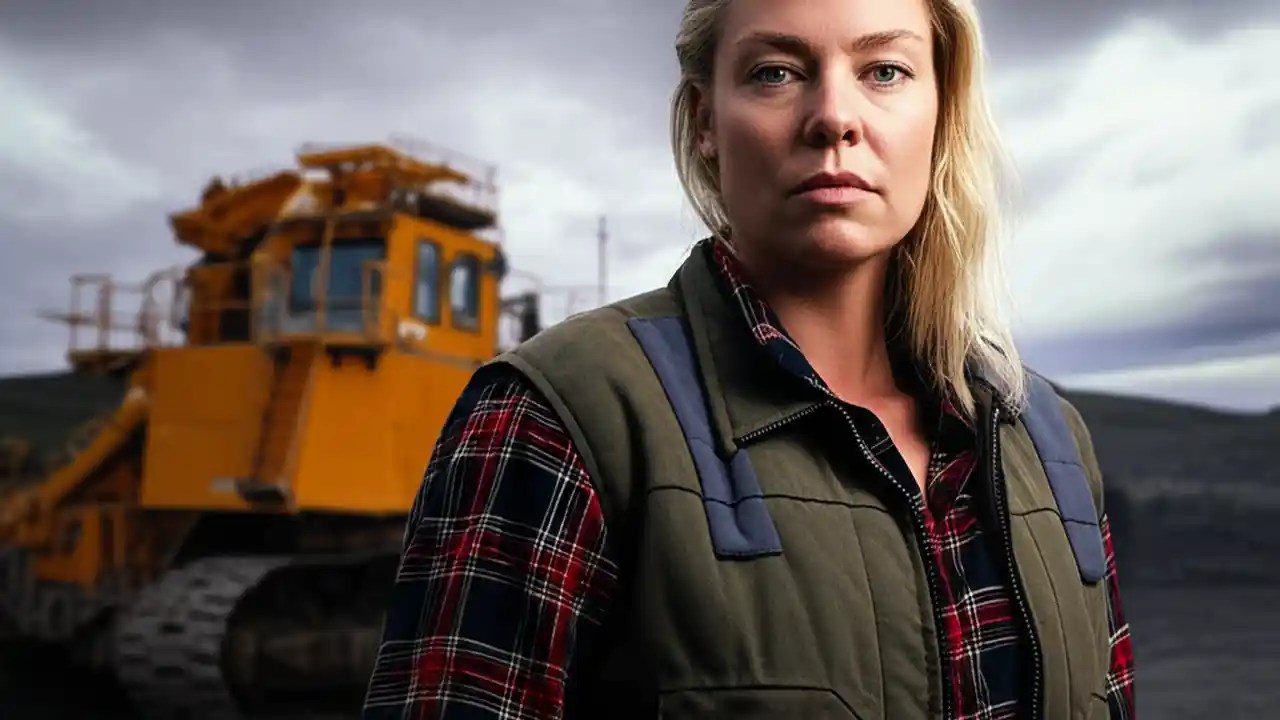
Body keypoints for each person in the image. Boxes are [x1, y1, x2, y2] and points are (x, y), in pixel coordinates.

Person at [361, 0, 1135, 718]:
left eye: (885, 71)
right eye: (776, 72)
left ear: (944, 109)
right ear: (705, 120)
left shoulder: (1049, 440)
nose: (834, 117)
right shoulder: (562, 419)